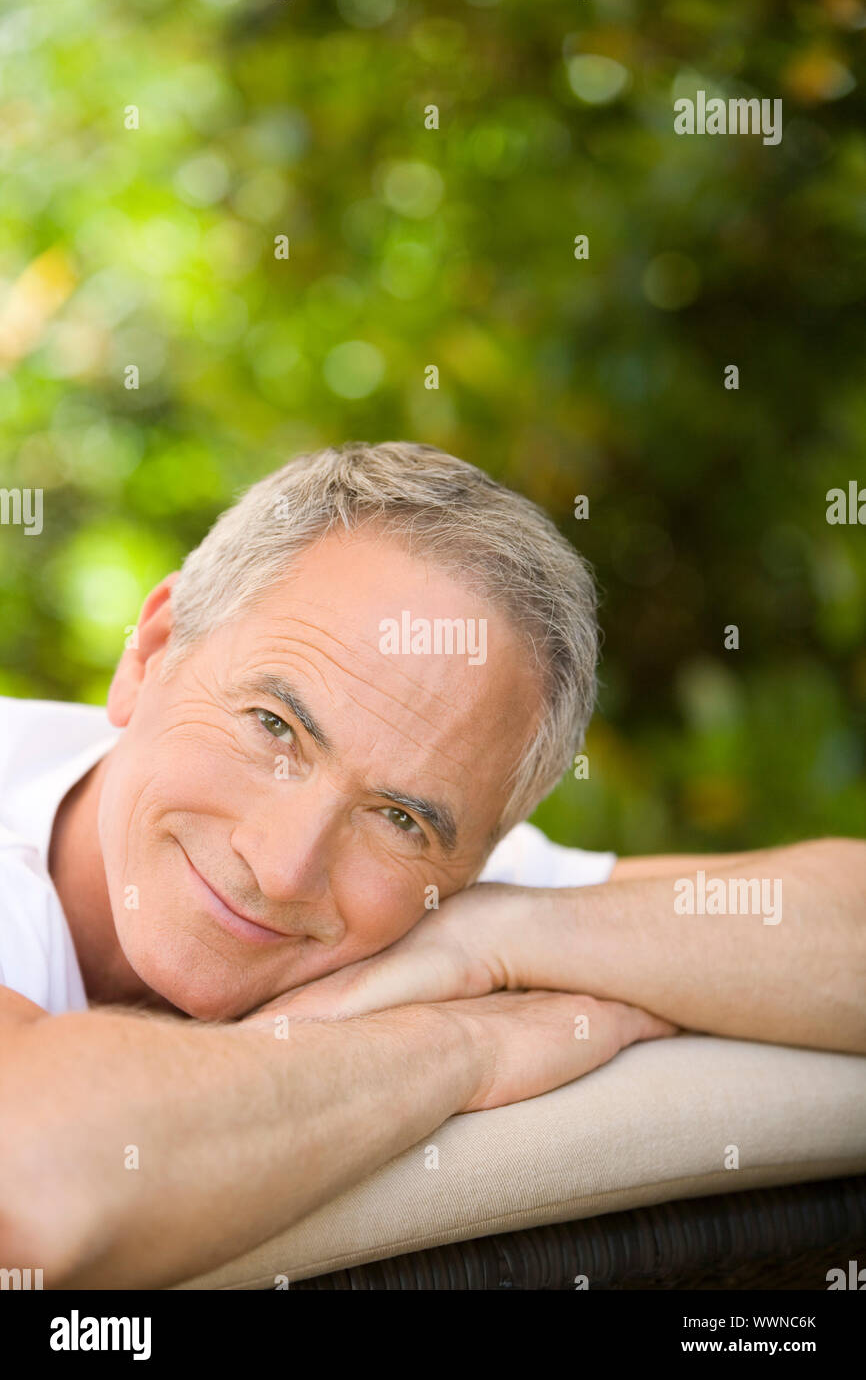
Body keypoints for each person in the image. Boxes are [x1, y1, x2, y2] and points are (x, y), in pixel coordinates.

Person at [1, 440, 863, 1289]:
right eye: (274, 726)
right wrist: (456, 1047)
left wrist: (500, 932)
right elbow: (35, 1181)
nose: (284, 866)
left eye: (399, 819)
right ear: (149, 653)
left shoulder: (442, 898)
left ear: (475, 859)